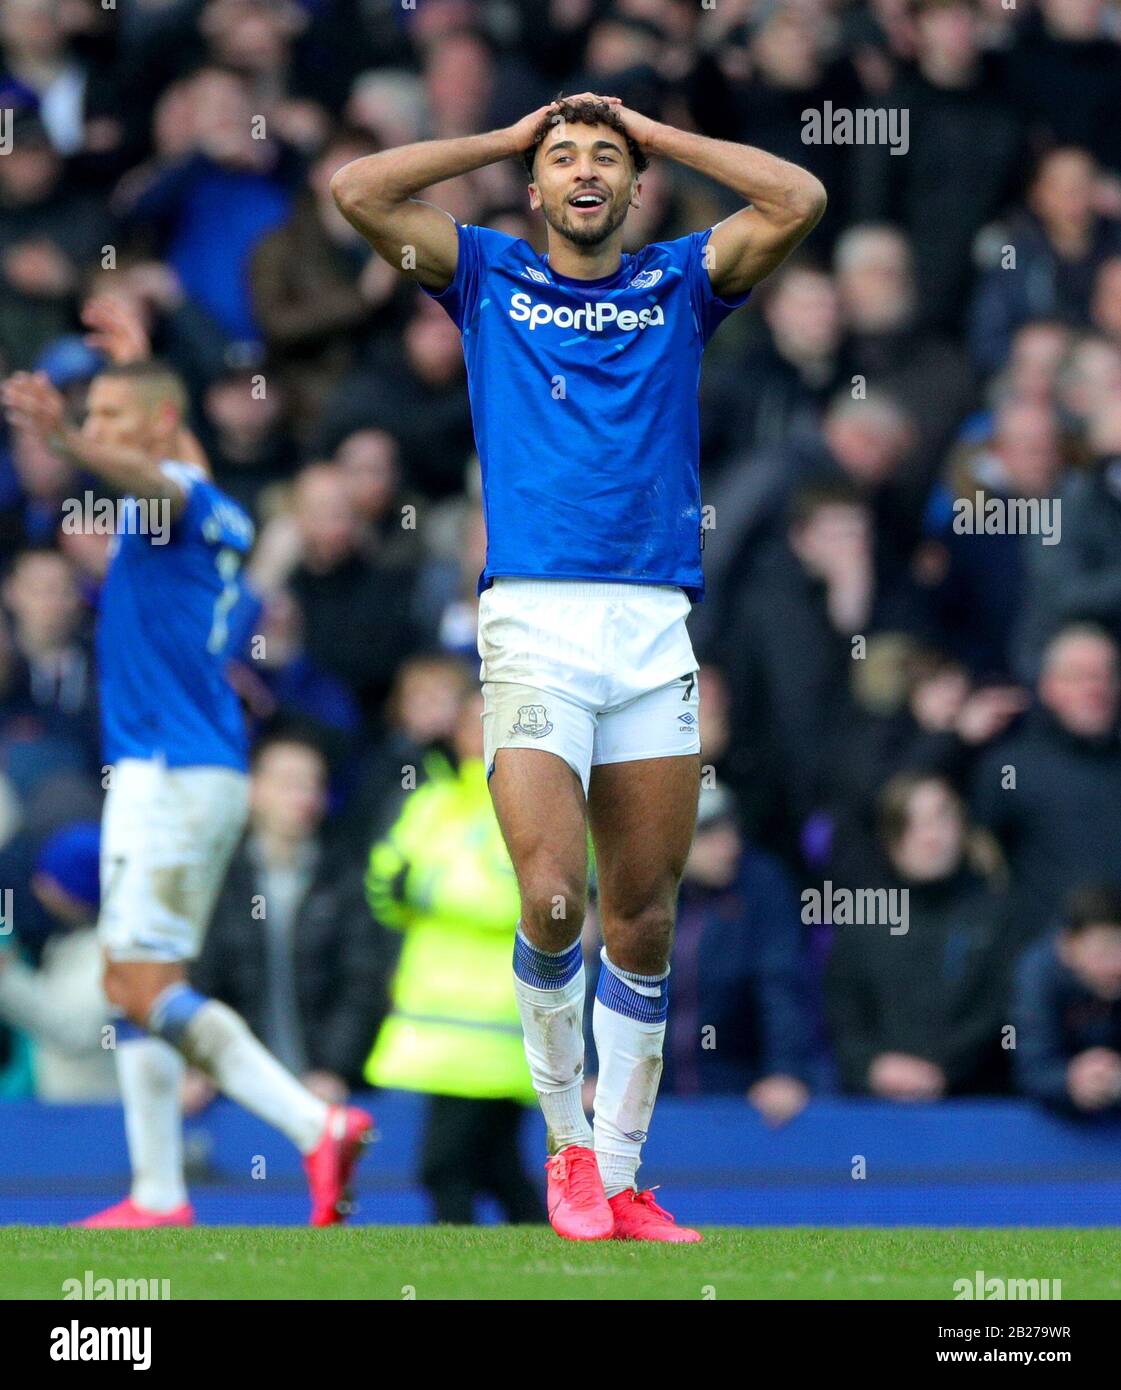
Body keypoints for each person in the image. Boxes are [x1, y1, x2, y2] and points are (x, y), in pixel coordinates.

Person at [330, 91, 825, 1241]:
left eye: (607, 156)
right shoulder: (486, 273)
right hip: (535, 620)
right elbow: (359, 190)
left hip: (653, 625)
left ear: (635, 182)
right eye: (564, 158)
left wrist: (662, 133)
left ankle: (621, 1172)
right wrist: (501, 139)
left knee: (640, 916)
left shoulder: (680, 281)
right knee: (554, 897)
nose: (586, 171)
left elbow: (796, 197)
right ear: (537, 189)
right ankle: (563, 1153)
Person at [0, 355, 373, 1229]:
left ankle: (313, 1123)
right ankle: (159, 1192)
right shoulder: (215, 501)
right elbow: (169, 461)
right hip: (191, 769)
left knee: (134, 987)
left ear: (162, 429)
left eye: (115, 416)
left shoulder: (166, 500)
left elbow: (150, 475)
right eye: (93, 415)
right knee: (139, 976)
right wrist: (133, 352)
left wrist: (61, 438)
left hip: (167, 775)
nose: (102, 431)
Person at [365, 689, 540, 1225]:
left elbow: (520, 900)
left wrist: (424, 886)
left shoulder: (535, 805)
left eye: (492, 723)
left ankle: (463, 1270)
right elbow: (380, 883)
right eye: (471, 723)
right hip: (441, 1028)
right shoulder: (433, 800)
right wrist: (423, 886)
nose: (479, 735)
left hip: (500, 1025)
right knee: (495, 1165)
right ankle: (560, 1258)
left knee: (446, 1167)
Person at [1013, 885, 1121, 1114]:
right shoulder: (1036, 975)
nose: (1117, 965)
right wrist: (1068, 1079)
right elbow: (1024, 1060)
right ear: (1068, 946)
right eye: (1105, 950)